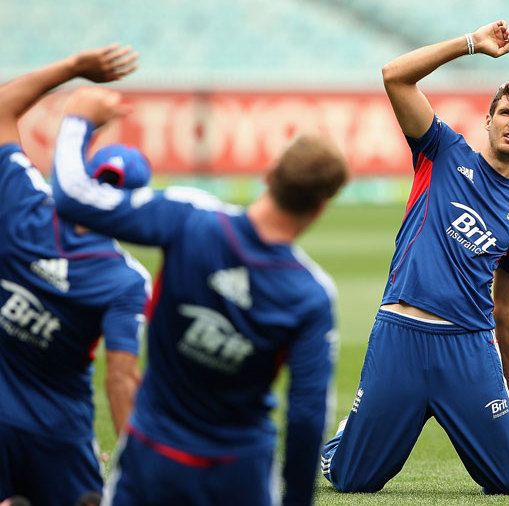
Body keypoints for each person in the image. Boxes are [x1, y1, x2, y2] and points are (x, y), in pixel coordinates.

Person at [51, 87, 348, 506]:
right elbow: (306, 414)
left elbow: (72, 197)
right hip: (239, 473)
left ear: (269, 175)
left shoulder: (191, 220)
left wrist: (77, 120)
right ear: (321, 206)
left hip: (153, 456)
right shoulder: (311, 294)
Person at [320, 20, 509, 495]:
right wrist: (470, 45)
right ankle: (351, 434)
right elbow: (394, 75)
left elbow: (508, 307)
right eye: (505, 112)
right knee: (350, 481)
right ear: (488, 120)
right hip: (401, 334)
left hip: (468, 346)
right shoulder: (441, 150)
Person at [0, 46, 149, 506]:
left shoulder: (23, 201)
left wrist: (72, 69)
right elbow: (120, 380)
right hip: (60, 435)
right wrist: (139, 468)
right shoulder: (125, 279)